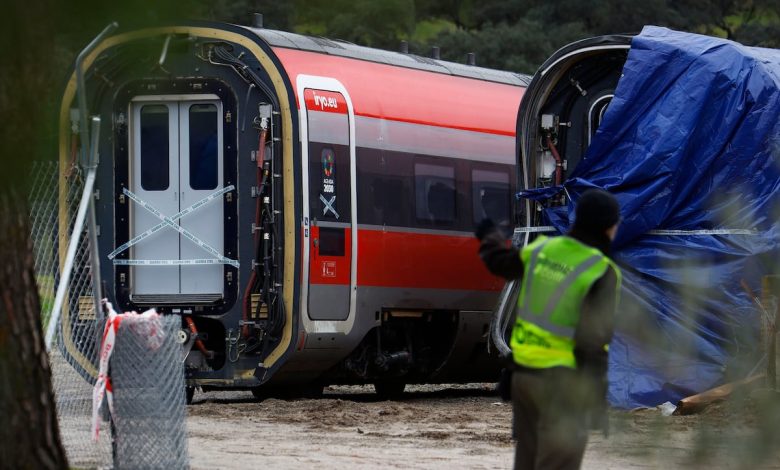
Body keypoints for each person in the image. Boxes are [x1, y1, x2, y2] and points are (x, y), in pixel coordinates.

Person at [476, 189, 622, 470]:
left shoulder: (541, 249)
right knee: (559, 463)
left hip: (523, 378)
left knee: (528, 460)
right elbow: (594, 341)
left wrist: (490, 236)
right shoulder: (600, 270)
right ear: (607, 226)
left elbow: (500, 264)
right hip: (562, 384)